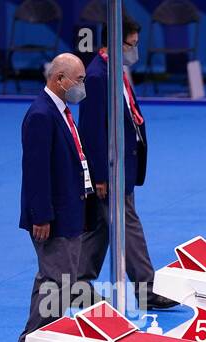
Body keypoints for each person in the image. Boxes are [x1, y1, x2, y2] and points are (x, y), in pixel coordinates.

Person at [78, 15, 177, 310]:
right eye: (130, 44)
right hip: (110, 168)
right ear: (114, 41)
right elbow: (92, 129)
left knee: (100, 226)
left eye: (136, 44)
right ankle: (146, 288)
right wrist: (99, 175)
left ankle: (77, 282)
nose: (135, 50)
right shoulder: (97, 76)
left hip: (121, 164)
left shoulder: (114, 70)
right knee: (127, 225)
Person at [14, 53, 91, 342]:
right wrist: (41, 216)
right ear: (60, 79)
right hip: (52, 216)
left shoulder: (59, 111)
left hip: (69, 210)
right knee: (57, 281)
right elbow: (36, 171)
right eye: (80, 80)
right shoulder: (41, 115)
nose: (82, 86)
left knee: (59, 279)